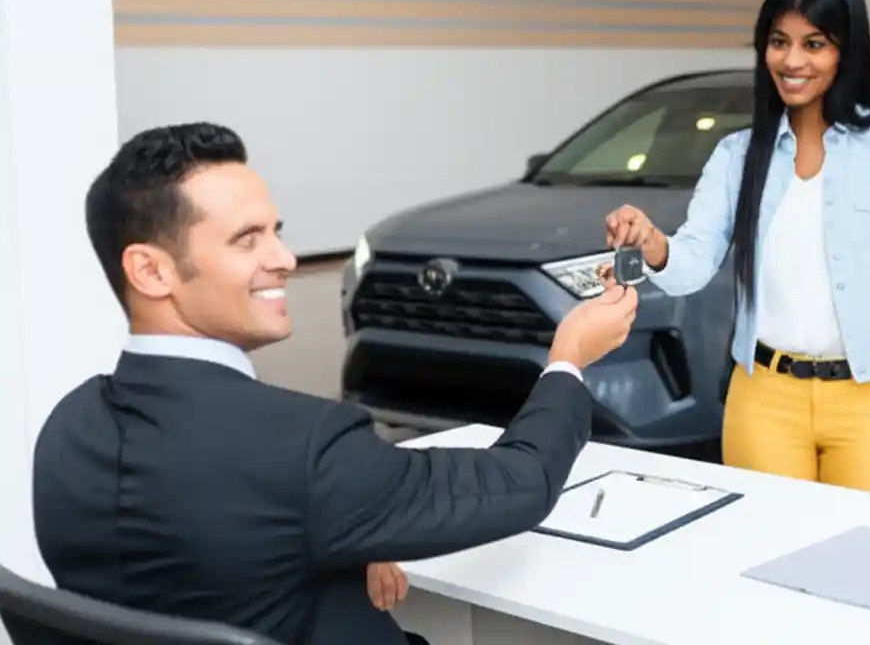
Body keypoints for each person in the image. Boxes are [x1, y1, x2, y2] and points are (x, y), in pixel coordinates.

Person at [32, 123, 639, 645]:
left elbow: (206, 556)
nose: (287, 258)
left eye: (277, 230)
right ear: (150, 270)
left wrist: (345, 533)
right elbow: (519, 482)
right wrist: (568, 360)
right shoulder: (305, 449)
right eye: (248, 239)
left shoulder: (67, 430)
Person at [603, 0, 870, 502]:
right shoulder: (737, 155)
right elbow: (693, 263)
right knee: (768, 566)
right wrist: (653, 242)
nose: (792, 61)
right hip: (764, 400)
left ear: (847, 50)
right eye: (779, 42)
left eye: (815, 43)